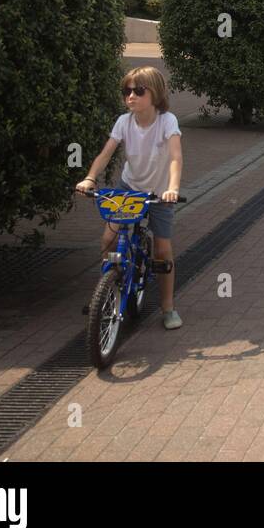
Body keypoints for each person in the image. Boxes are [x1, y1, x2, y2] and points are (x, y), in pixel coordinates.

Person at [77, 66, 184, 330]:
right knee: (109, 238)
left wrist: (172, 188)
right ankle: (109, 287)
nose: (131, 97)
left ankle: (168, 307)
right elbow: (106, 154)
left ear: (155, 93)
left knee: (162, 249)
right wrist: (90, 177)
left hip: (159, 191)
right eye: (127, 91)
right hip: (129, 186)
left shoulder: (166, 121)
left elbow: (175, 157)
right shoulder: (124, 121)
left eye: (138, 91)